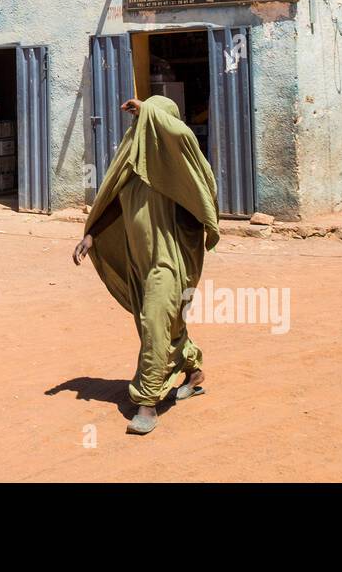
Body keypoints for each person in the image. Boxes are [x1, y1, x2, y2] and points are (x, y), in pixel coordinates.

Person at [72, 95, 219, 435]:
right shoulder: (133, 165)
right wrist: (91, 235)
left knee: (154, 324)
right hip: (140, 260)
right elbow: (114, 203)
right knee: (160, 326)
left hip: (170, 263)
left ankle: (147, 402)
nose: (143, 127)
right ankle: (194, 372)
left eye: (150, 121)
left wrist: (147, 107)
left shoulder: (181, 166)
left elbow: (181, 136)